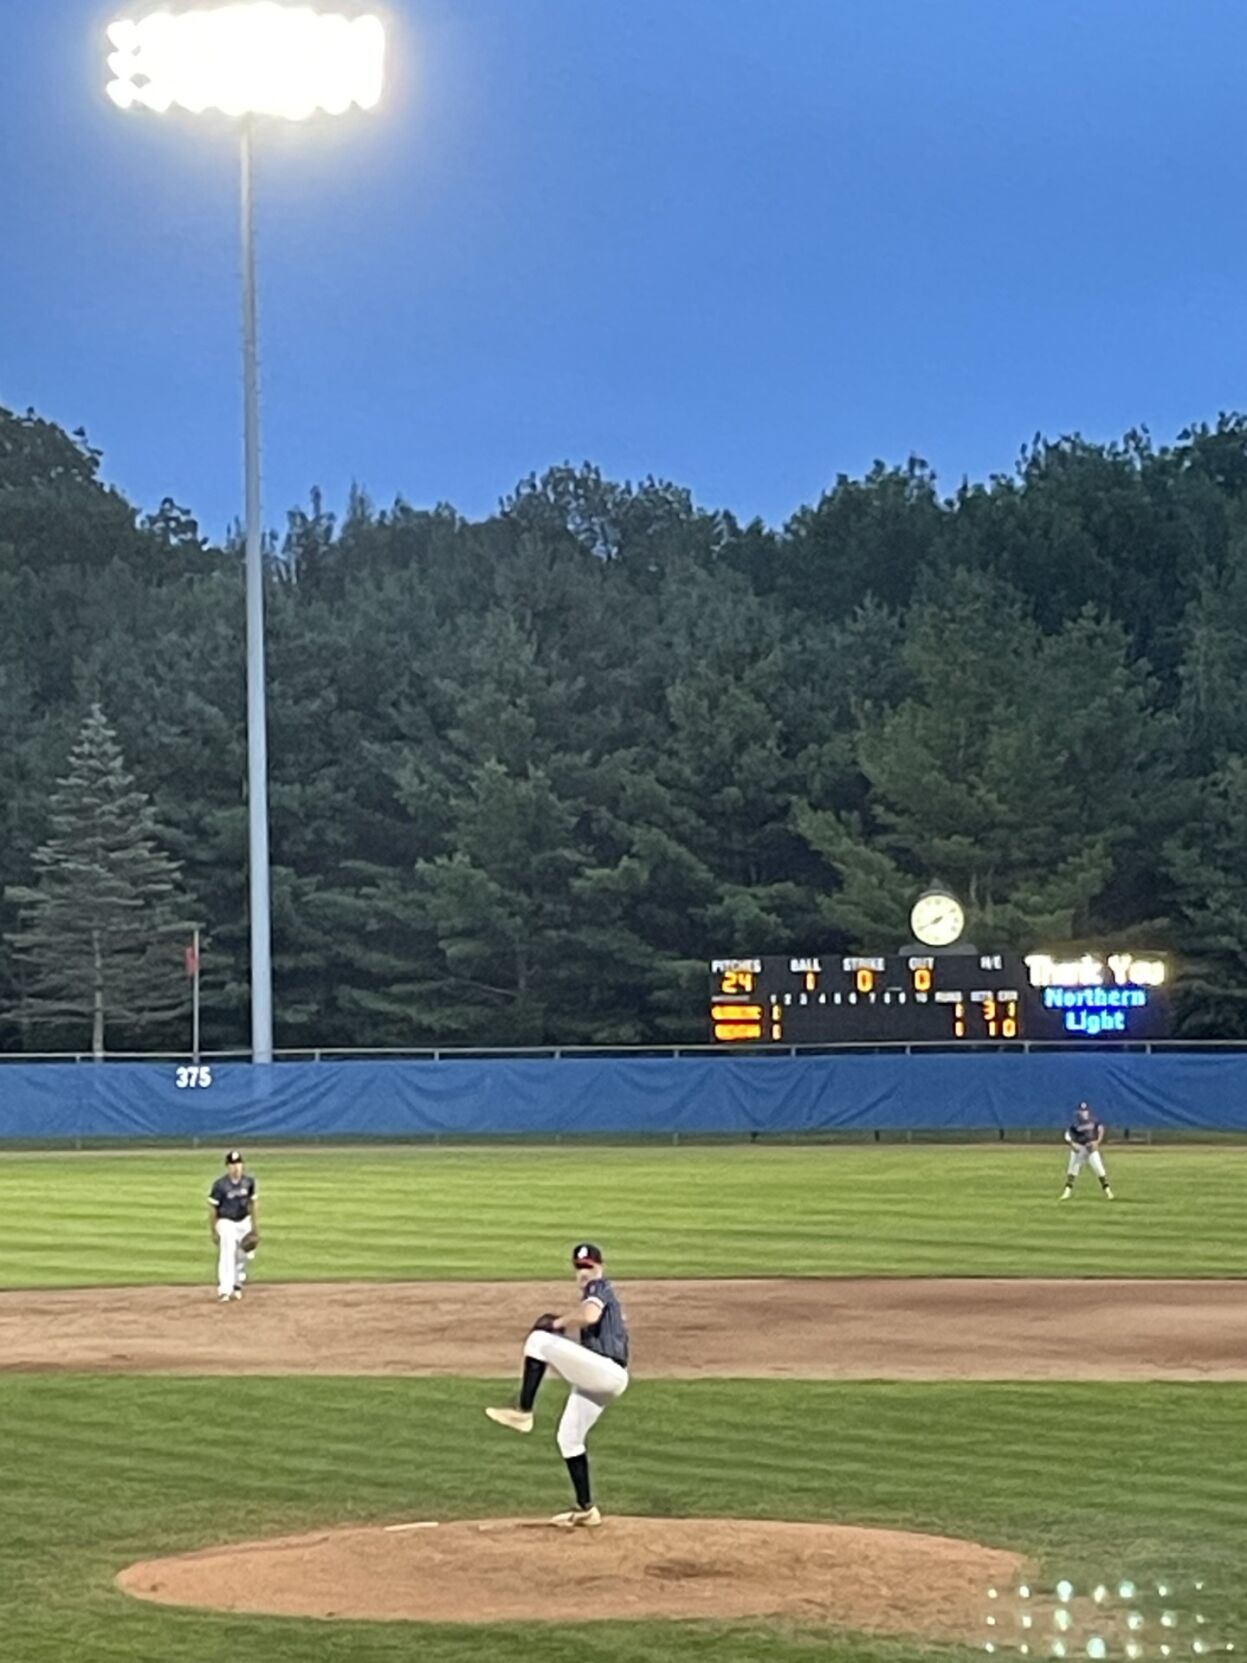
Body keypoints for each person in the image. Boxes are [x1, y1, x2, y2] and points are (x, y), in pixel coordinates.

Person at [485, 1242, 630, 1528]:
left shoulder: (599, 1288)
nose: (584, 1273)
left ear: (599, 1267)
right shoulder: (595, 1293)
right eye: (579, 1268)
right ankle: (587, 1509)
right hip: (601, 1378)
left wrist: (558, 1323)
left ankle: (523, 1411)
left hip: (608, 1372)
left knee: (538, 1339)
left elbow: (590, 1315)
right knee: (569, 1439)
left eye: (588, 1267)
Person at [208, 1149, 259, 1301]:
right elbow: (212, 1209)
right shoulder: (219, 1185)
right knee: (227, 1252)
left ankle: (237, 1284)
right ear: (227, 1167)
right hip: (226, 1221)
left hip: (244, 1221)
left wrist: (255, 1228)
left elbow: (253, 1204)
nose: (235, 1167)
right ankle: (224, 1289)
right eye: (232, 1164)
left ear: (242, 1165)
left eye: (238, 1164)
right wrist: (214, 1230)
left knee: (243, 1254)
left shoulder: (249, 1182)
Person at [1060, 1102, 1114, 1201]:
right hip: (1079, 1149)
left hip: (1091, 1149)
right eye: (1081, 1111)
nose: (1083, 1113)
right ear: (1078, 1112)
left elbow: (1101, 1128)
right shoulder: (1075, 1123)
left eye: (1085, 1111)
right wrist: (1073, 1145)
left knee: (1099, 1169)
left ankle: (1108, 1192)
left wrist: (1097, 1142)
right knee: (1072, 1170)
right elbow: (1068, 1136)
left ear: (1088, 1111)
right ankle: (1067, 1192)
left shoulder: (1093, 1120)